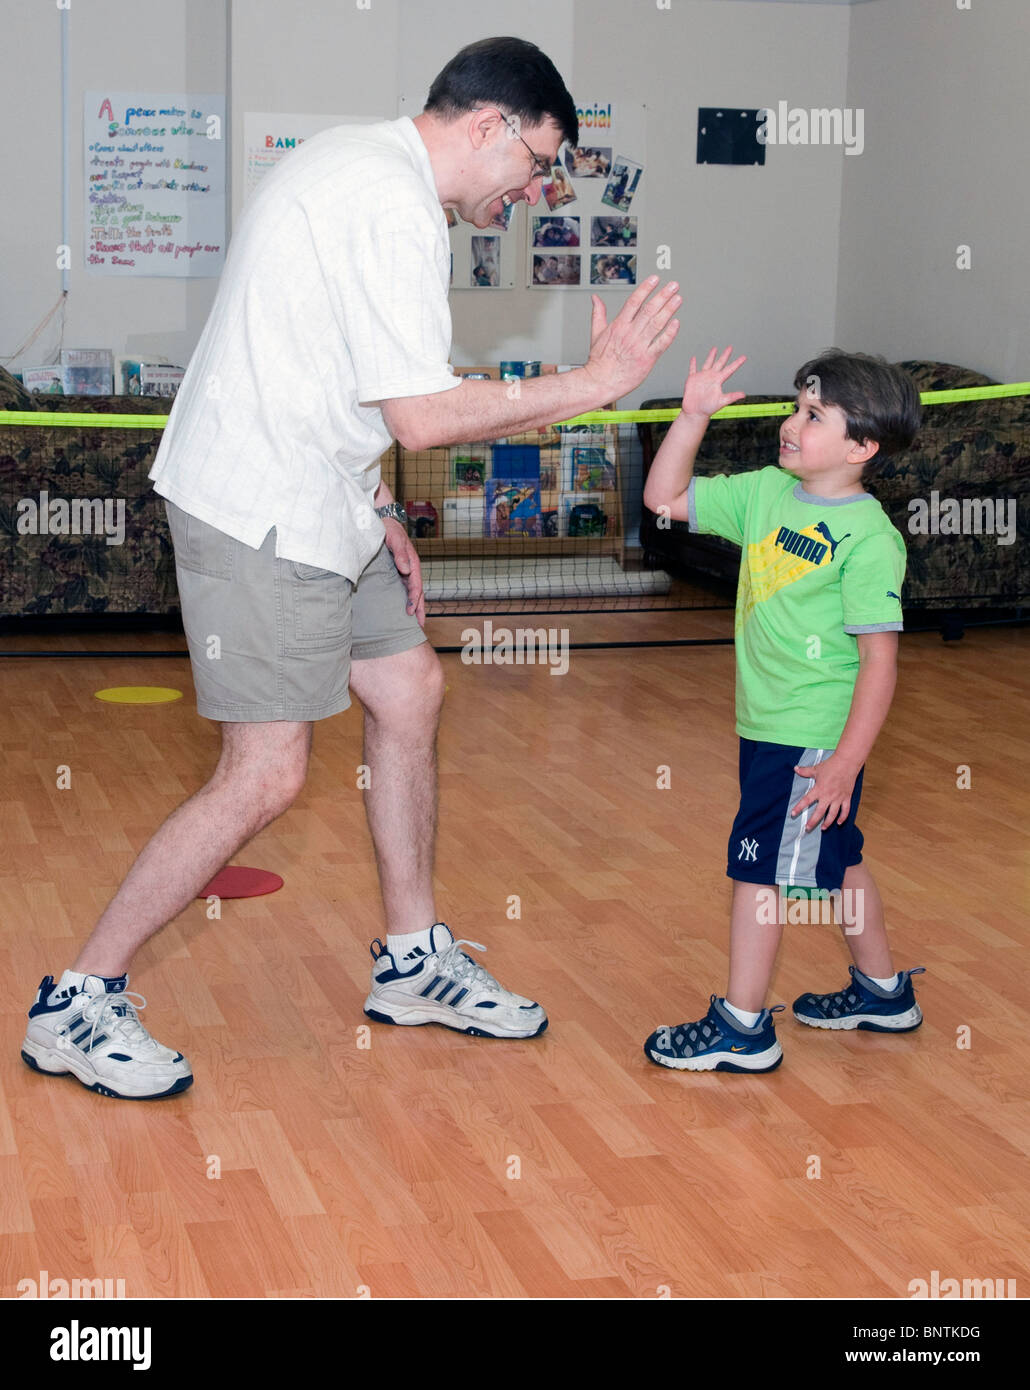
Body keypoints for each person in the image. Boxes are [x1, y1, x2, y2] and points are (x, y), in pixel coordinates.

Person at [21, 35, 681, 1100]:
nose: (532, 189)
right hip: (260, 506)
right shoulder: (387, 204)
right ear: (489, 127)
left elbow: (326, 366)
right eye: (535, 162)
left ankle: (413, 961)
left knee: (409, 683)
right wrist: (591, 382)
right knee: (268, 772)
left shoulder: (363, 167)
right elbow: (421, 410)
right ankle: (79, 998)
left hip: (324, 495)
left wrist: (379, 505)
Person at [641, 346, 924, 1073]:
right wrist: (691, 417)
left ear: (863, 447)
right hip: (767, 728)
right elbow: (664, 500)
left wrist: (844, 763)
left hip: (810, 737)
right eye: (797, 407)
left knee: (759, 873)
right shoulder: (766, 493)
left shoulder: (869, 541)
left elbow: (879, 663)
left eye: (813, 415)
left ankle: (743, 1026)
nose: (791, 424)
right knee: (839, 859)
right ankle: (884, 992)